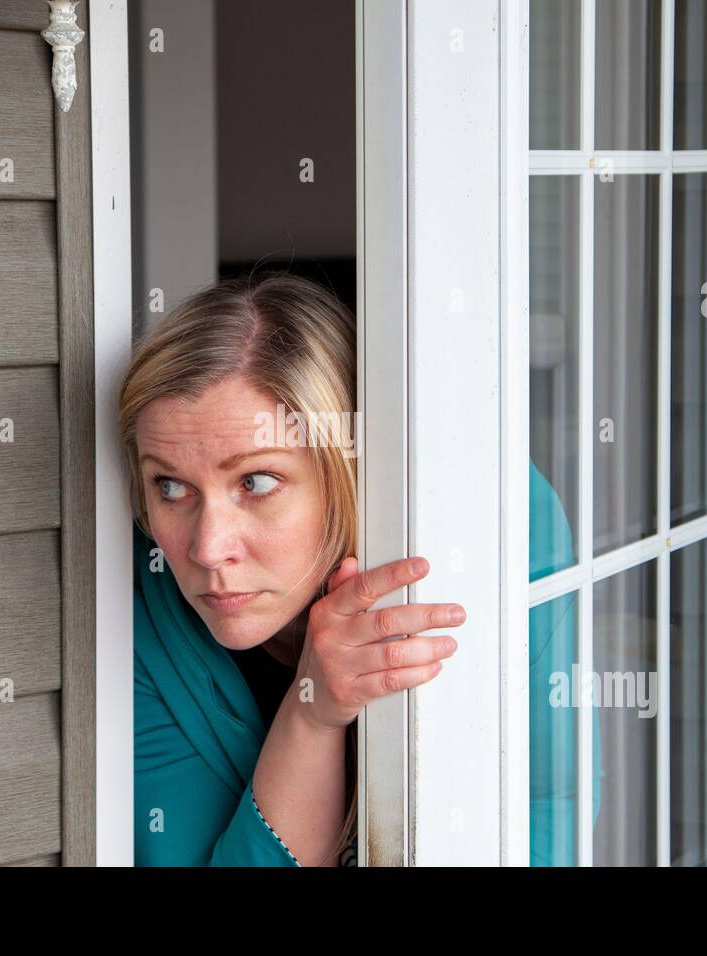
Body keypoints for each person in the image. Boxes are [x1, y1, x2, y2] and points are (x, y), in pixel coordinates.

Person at [120, 270, 599, 867]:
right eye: (171, 486)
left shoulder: (495, 526)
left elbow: (553, 800)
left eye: (257, 481)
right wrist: (313, 711)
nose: (207, 548)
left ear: (345, 471)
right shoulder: (141, 613)